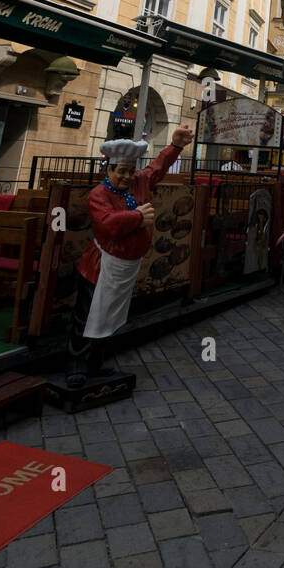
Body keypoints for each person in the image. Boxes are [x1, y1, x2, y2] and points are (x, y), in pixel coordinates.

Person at [66, 127, 194, 389]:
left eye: (130, 171)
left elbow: (157, 167)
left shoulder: (139, 181)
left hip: (126, 266)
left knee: (108, 317)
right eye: (121, 171)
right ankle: (77, 365)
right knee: (88, 316)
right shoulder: (99, 195)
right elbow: (106, 223)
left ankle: (95, 363)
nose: (126, 176)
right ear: (109, 170)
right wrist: (137, 217)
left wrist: (176, 146)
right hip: (102, 265)